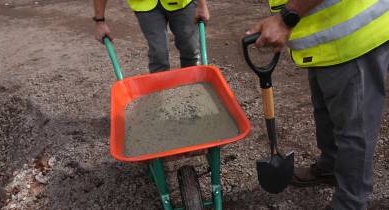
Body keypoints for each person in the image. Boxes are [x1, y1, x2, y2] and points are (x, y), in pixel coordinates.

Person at [245, 0, 389, 209]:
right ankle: (330, 166)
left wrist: (287, 18)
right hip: (325, 37)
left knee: (354, 128)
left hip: (352, 34)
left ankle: (350, 202)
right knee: (324, 109)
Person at [93, 0, 210, 73]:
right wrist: (100, 21)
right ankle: (161, 98)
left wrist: (202, 5)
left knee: (189, 47)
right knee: (158, 53)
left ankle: (192, 92)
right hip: (145, 4)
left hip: (182, 3)